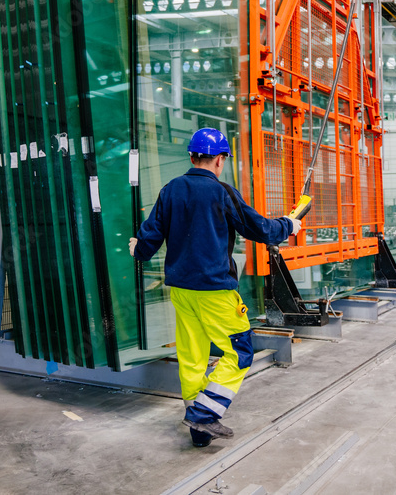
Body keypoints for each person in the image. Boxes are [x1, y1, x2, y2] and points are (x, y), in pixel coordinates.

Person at [129, 128, 301, 447]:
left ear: (193, 157)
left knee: (193, 356)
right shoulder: (222, 192)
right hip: (215, 291)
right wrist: (289, 225)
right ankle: (204, 415)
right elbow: (259, 228)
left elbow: (148, 240)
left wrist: (137, 249)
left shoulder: (171, 190)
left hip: (181, 291)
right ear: (220, 160)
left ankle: (198, 428)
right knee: (240, 351)